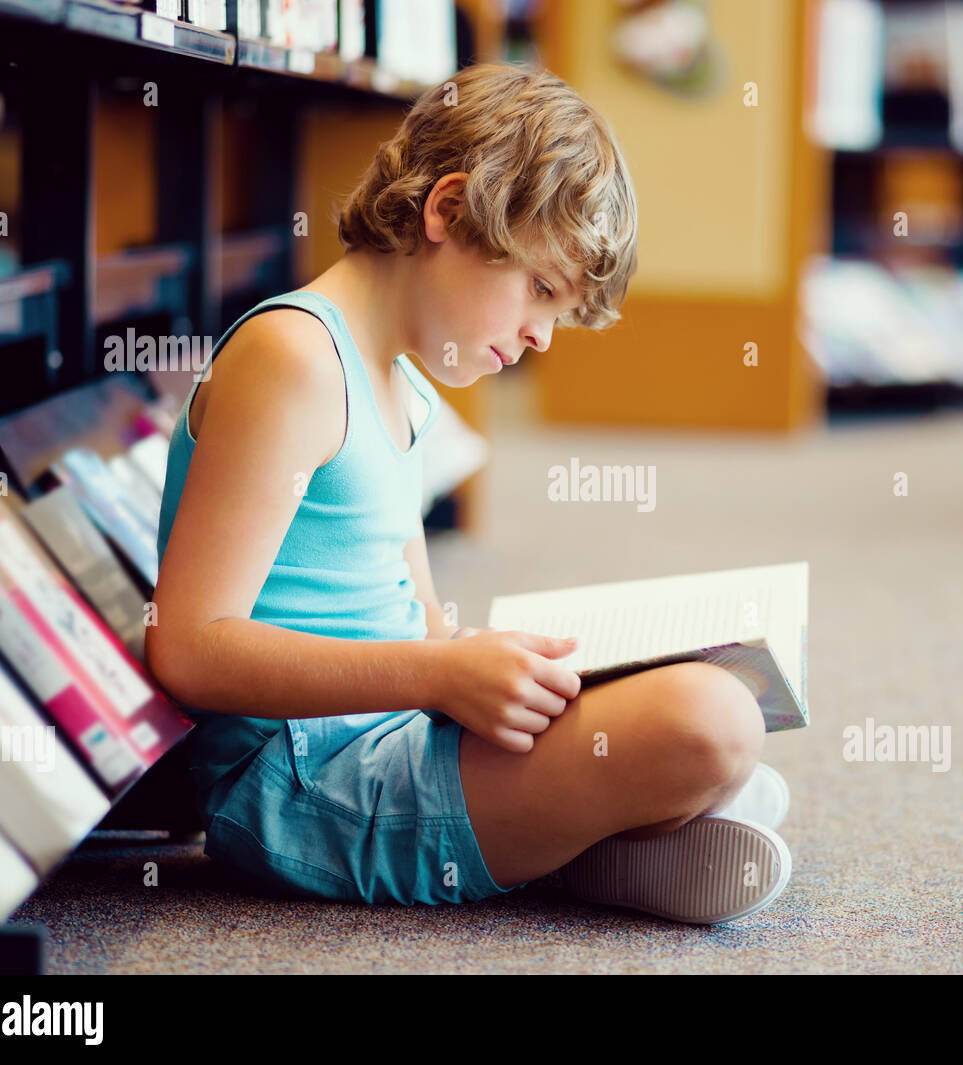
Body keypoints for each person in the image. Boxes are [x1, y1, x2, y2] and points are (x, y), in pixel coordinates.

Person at [148, 62, 791, 925]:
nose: (540, 335)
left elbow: (414, 614)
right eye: (539, 290)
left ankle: (577, 838)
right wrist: (440, 673)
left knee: (705, 695)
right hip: (295, 781)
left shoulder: (402, 383)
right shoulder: (294, 359)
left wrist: (488, 662)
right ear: (447, 210)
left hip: (388, 728)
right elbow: (189, 649)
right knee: (712, 726)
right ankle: (581, 847)